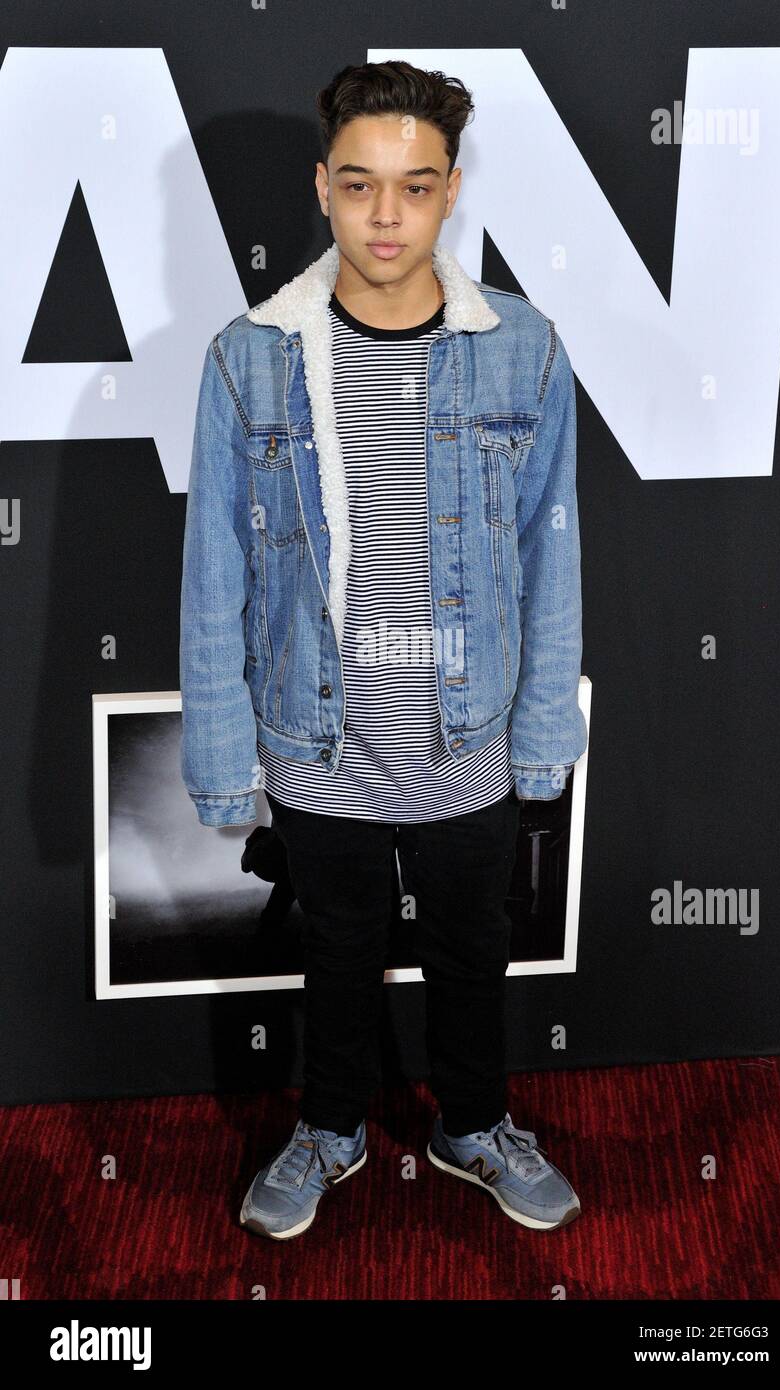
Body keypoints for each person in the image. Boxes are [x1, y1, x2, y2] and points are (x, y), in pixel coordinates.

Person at [179, 59, 588, 1240]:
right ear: (322, 189)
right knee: (337, 953)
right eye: (361, 186)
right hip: (320, 740)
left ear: (452, 190)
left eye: (415, 186)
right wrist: (226, 755)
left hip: (468, 735)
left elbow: (550, 553)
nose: (388, 215)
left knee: (474, 950)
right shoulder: (246, 355)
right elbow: (216, 567)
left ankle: (473, 1126)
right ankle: (330, 1129)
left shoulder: (524, 349)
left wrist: (541, 738)